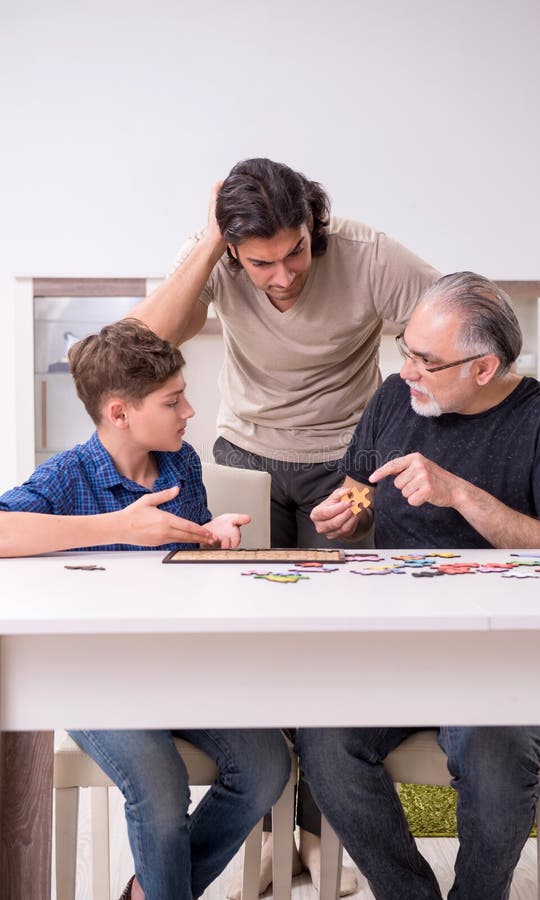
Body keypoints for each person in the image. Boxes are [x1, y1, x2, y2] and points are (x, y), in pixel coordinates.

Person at [128, 158, 439, 894]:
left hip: (348, 467)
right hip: (246, 459)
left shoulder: (369, 255)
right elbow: (144, 345)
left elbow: (450, 342)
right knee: (253, 650)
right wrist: (212, 243)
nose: (282, 276)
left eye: (294, 252)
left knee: (335, 654)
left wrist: (382, 463)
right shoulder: (219, 253)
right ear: (235, 249)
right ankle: (273, 838)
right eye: (259, 262)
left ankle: (318, 838)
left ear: (313, 225)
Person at [296, 271, 540, 900]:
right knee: (324, 739)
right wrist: (347, 515)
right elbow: (360, 495)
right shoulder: (393, 397)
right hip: (399, 639)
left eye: (427, 361)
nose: (407, 370)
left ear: (484, 368)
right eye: (406, 350)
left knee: (490, 752)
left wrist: (460, 493)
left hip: (507, 649)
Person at [0, 319, 291, 900]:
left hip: (177, 664)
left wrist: (208, 536)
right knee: (160, 789)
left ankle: (147, 892)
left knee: (267, 768)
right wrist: (119, 528)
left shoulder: (182, 465)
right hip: (95, 674)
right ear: (119, 413)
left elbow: (183, 571)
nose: (189, 411)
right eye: (172, 401)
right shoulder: (67, 476)